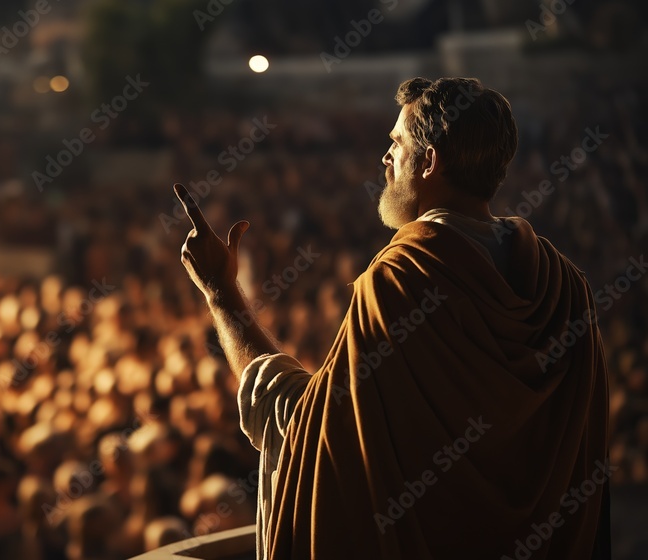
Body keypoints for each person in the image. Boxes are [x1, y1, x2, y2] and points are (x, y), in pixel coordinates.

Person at [174, 77, 611, 559]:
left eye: (396, 144)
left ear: (430, 162)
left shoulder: (405, 279)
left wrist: (221, 293)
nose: (385, 159)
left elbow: (310, 433)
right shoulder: (567, 288)